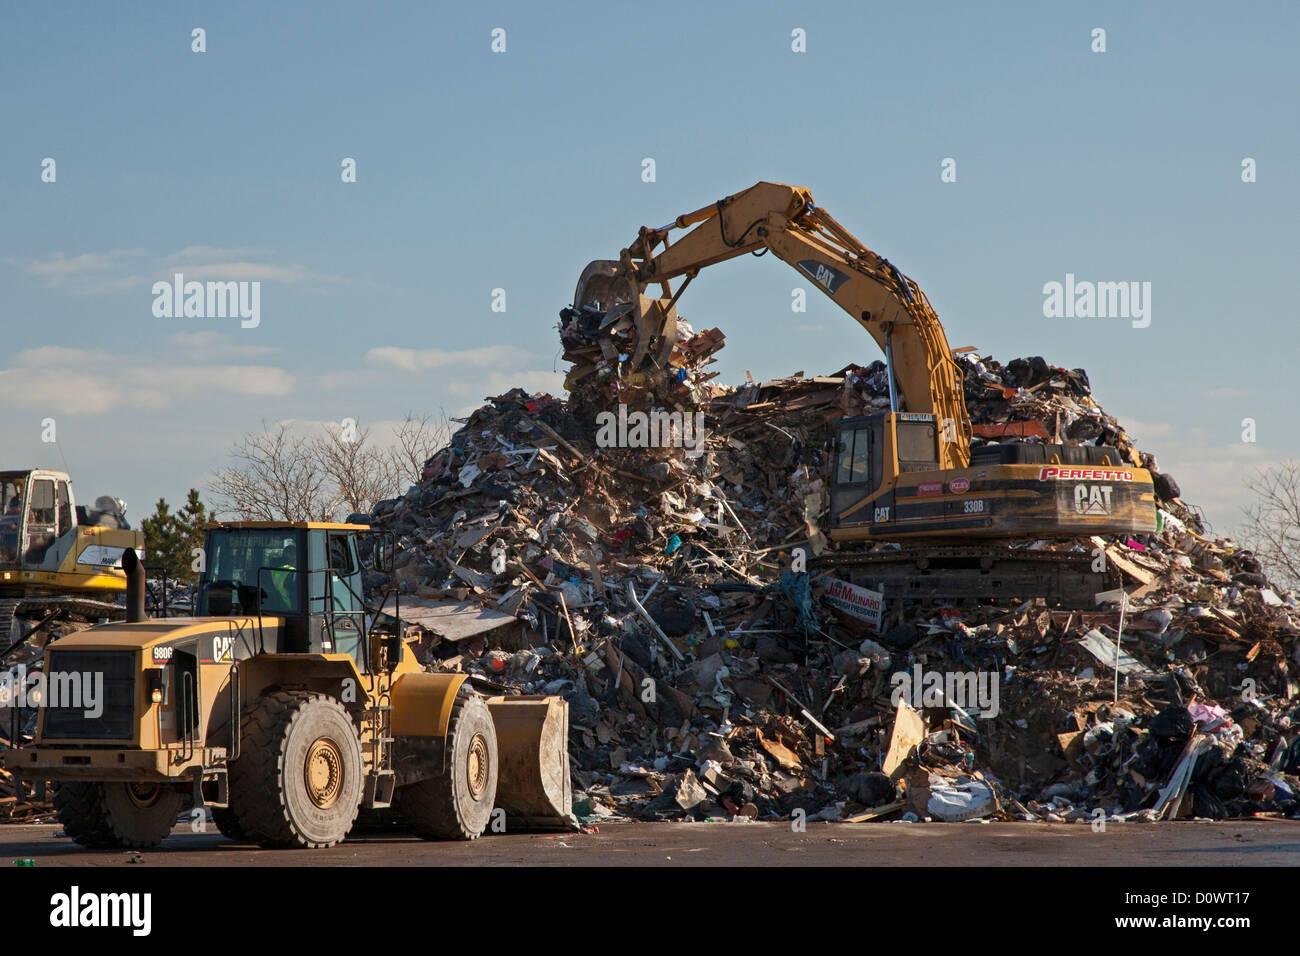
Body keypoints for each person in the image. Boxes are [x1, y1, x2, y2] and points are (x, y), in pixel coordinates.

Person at [268, 542, 298, 611]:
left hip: (275, 607)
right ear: (294, 559)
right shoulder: (292, 573)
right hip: (290, 610)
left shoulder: (273, 570)